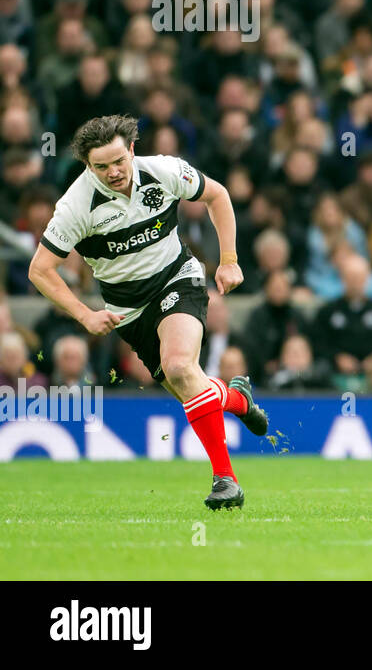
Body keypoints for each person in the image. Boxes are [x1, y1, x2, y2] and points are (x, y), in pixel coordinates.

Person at [27, 115, 268, 510]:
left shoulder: (164, 170)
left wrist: (229, 260)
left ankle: (226, 480)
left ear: (131, 150)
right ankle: (236, 398)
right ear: (87, 166)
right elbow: (40, 269)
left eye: (118, 161)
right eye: (101, 166)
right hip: (129, 312)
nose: (114, 172)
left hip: (178, 280)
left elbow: (218, 196)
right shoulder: (75, 206)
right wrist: (85, 314)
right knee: (187, 386)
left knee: (178, 367)